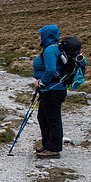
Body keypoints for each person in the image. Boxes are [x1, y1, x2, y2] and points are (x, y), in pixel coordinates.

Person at [33, 24, 67, 159]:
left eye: (41, 35)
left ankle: (53, 149)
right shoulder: (56, 49)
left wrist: (41, 82)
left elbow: (51, 70)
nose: (39, 37)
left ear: (47, 35)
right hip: (54, 89)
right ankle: (47, 145)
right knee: (43, 117)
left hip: (51, 90)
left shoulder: (49, 51)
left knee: (52, 119)